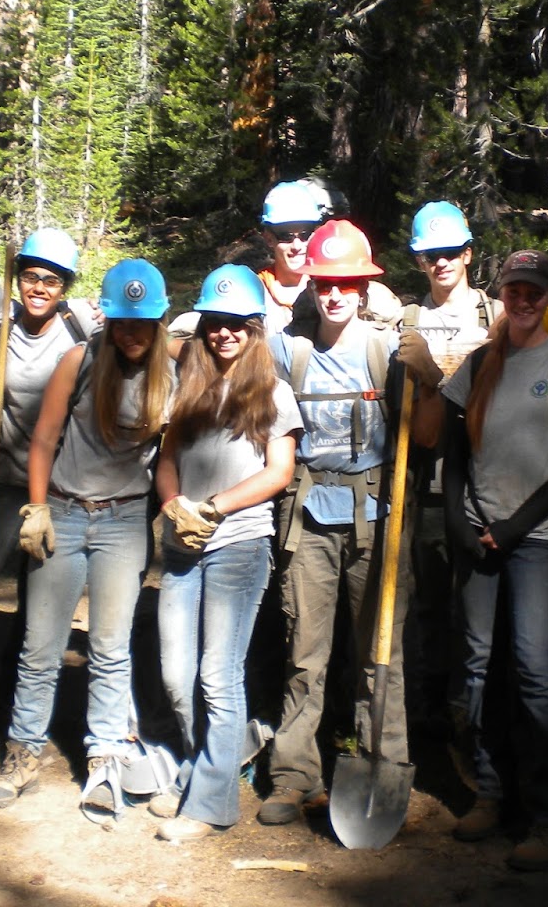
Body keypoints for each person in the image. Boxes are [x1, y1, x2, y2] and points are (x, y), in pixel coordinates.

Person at [259, 219, 444, 826]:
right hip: (309, 517)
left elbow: (432, 435)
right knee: (305, 652)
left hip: (379, 519)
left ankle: (383, 764)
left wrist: (430, 379)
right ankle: (292, 776)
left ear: (364, 287)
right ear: (310, 285)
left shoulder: (387, 349)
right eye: (325, 283)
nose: (335, 295)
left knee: (379, 650)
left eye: (348, 283)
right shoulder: (288, 349)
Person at [0, 259, 175, 813]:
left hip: (125, 521)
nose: (132, 333)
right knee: (40, 647)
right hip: (62, 514)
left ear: (159, 323)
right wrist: (36, 507)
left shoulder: (173, 372)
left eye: (143, 323)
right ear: (106, 320)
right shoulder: (79, 360)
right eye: (122, 322)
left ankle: (106, 757)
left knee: (110, 648)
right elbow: (43, 440)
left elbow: (175, 452)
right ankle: (22, 755)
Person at [441, 250, 548, 870]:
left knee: (537, 669)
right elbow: (454, 456)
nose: (525, 300)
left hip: (537, 539)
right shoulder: (480, 365)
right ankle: (490, 792)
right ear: (502, 294)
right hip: (480, 534)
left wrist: (514, 528)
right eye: (515, 290)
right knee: (479, 665)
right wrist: (461, 522)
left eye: (535, 291)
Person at [150, 264, 302, 841]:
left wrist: (212, 507)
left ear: (255, 329)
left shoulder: (273, 392)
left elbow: (278, 473)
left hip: (240, 545)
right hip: (183, 545)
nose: (225, 334)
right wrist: (174, 507)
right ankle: (210, 758)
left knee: (218, 673)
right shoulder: (185, 387)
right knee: (174, 673)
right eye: (216, 323)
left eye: (237, 324)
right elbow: (167, 460)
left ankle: (210, 801)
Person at [403, 201, 501, 732]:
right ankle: (436, 716)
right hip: (432, 491)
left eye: (449, 253)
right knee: (432, 608)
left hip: (488, 487)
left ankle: (482, 713)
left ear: (468, 253)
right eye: (428, 256)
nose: (440, 264)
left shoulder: (497, 315)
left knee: (481, 610)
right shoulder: (408, 321)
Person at [0, 228, 98, 586]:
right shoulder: (2, 326)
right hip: (7, 478)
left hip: (61, 484)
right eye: (31, 276)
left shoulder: (79, 324)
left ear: (64, 287)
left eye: (52, 280)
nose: (39, 288)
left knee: (39, 584)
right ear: (18, 279)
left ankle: (19, 643)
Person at [258, 180, 328, 332]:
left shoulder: (332, 287)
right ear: (269, 239)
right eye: (285, 236)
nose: (297, 246)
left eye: (305, 235)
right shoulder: (254, 290)